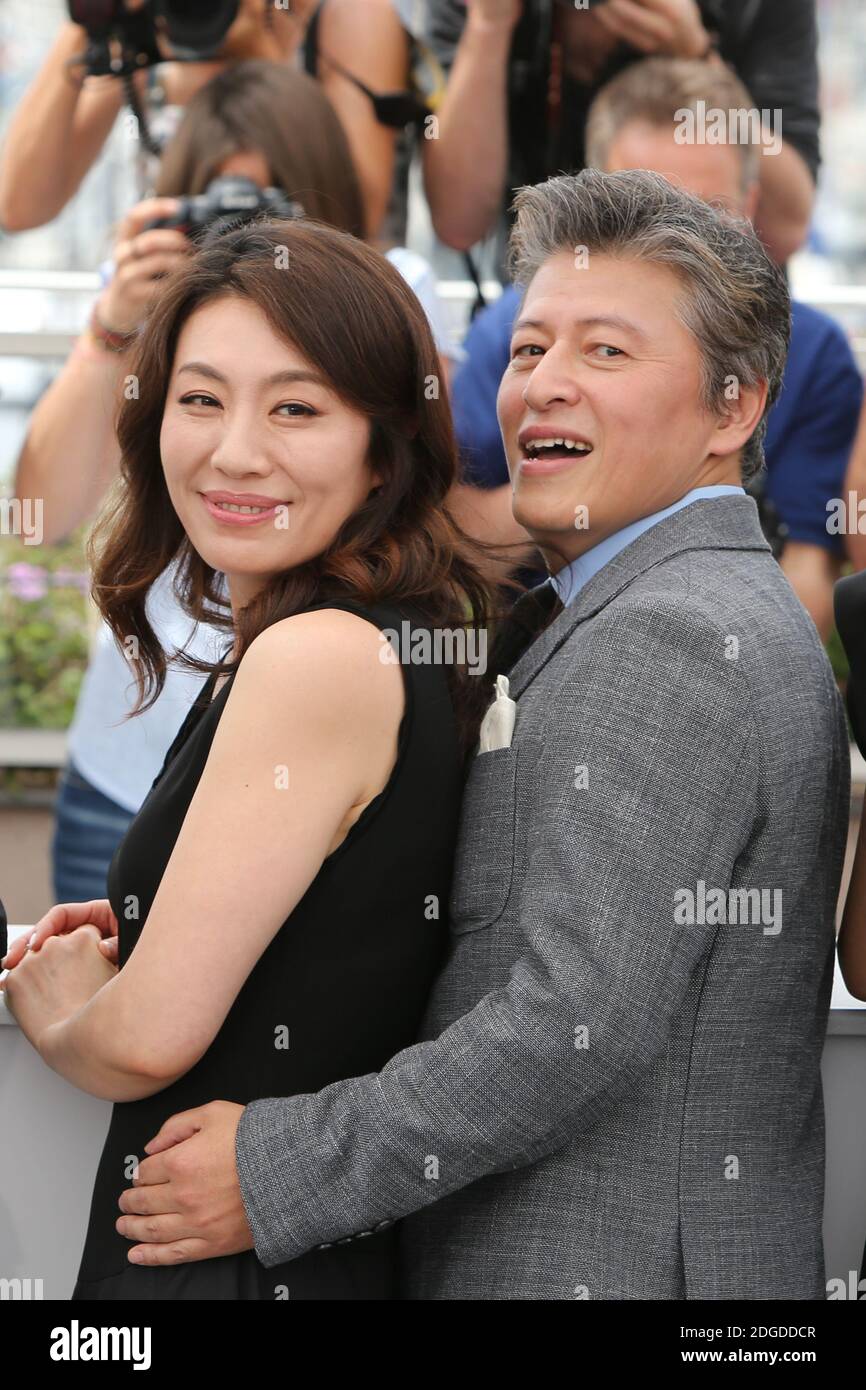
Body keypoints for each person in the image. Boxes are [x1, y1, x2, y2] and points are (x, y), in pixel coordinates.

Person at [26, 169, 849, 1300]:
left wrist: (273, 1170)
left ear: (733, 407)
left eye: (604, 353)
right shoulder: (597, 609)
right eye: (526, 349)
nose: (544, 387)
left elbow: (573, 1024)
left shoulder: (673, 631)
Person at [1, 217, 496, 1301]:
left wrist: (57, 1005)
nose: (233, 451)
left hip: (221, 1259)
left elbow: (146, 1043)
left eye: (296, 409)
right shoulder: (368, 628)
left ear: (383, 443)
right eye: (199, 398)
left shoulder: (315, 657)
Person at [12, 58, 463, 904]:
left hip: (303, 766)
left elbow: (416, 489)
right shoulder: (170, 311)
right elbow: (39, 516)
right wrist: (117, 328)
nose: (239, 450)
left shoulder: (384, 295)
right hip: (129, 764)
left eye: (295, 406)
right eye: (216, 204)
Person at [450, 56, 863, 638]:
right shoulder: (510, 325)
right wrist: (595, 475)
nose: (546, 380)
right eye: (639, 201)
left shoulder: (813, 351)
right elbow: (452, 538)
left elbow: (809, 572)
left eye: (704, 213)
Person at [402, 0, 820, 267]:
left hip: (727, 321)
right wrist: (489, 25)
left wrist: (699, 55)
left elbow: (784, 229)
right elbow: (458, 222)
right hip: (542, 306)